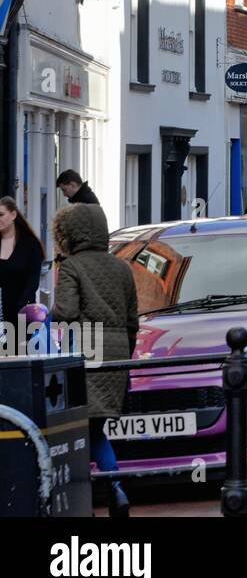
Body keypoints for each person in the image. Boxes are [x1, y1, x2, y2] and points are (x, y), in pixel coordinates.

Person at [50, 204, 137, 516]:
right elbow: (132, 320)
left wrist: (46, 315)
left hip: (85, 350)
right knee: (95, 428)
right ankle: (115, 489)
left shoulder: (72, 266)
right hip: (115, 353)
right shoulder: (122, 267)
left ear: (68, 233)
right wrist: (125, 357)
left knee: (78, 428)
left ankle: (97, 493)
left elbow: (66, 312)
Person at [0, 196, 44, 330]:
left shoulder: (30, 245)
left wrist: (21, 308)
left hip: (22, 317)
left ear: (13, 214)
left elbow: (32, 282)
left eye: (1, 214)